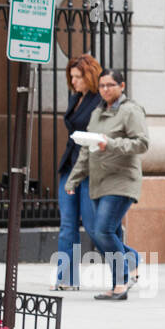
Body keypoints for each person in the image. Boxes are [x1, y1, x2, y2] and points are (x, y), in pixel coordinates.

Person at [66, 70, 148, 300]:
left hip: (122, 180)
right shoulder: (97, 113)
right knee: (109, 234)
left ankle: (122, 281)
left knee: (102, 230)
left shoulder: (131, 110)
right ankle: (120, 280)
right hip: (99, 181)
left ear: (121, 86)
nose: (105, 90)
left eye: (110, 85)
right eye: (102, 86)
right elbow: (86, 149)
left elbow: (142, 143)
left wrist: (109, 143)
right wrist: (74, 179)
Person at [56, 53, 103, 291]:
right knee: (67, 225)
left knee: (95, 227)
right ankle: (66, 279)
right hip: (69, 166)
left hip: (89, 170)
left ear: (90, 76)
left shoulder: (99, 101)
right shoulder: (77, 98)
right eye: (71, 77)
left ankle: (129, 262)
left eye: (78, 77)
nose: (73, 82)